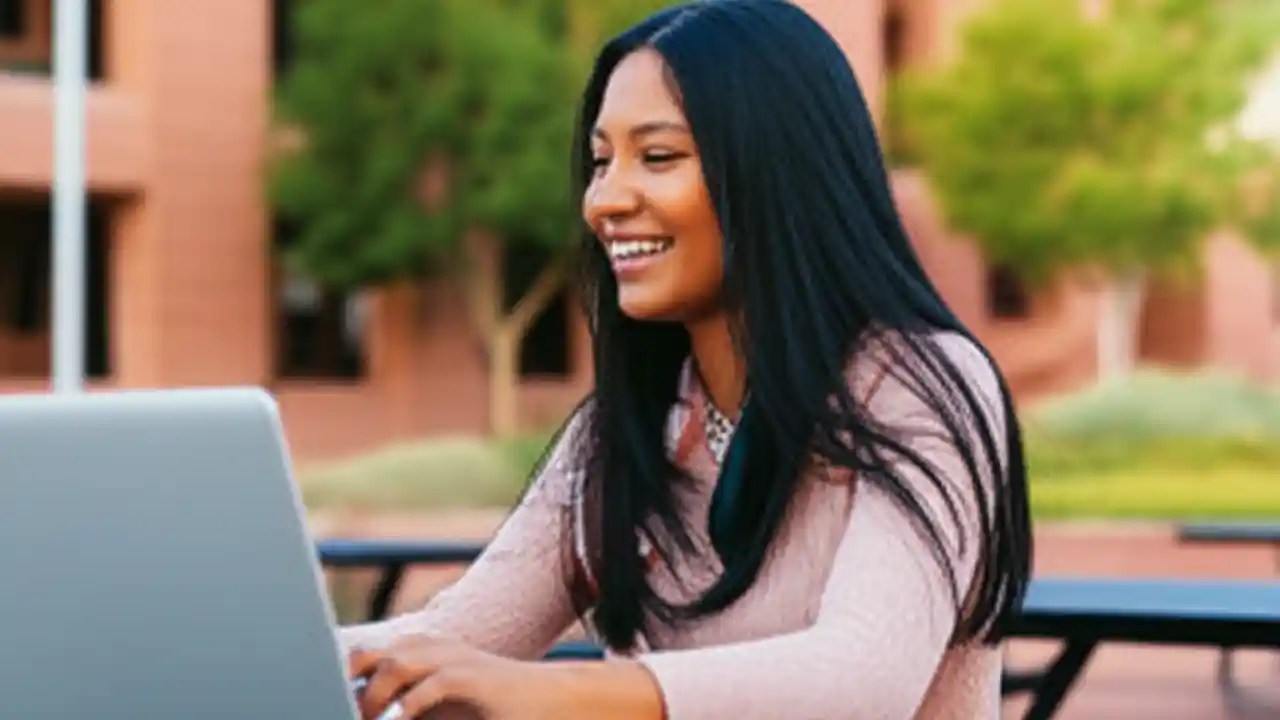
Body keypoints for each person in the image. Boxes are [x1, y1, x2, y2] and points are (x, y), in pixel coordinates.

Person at [340, 1, 1033, 718]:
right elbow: (445, 640)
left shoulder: (921, 386)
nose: (604, 200)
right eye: (601, 162)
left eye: (659, 157)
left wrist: (539, 690)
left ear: (776, 173)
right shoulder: (628, 431)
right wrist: (250, 650)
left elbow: (860, 681)